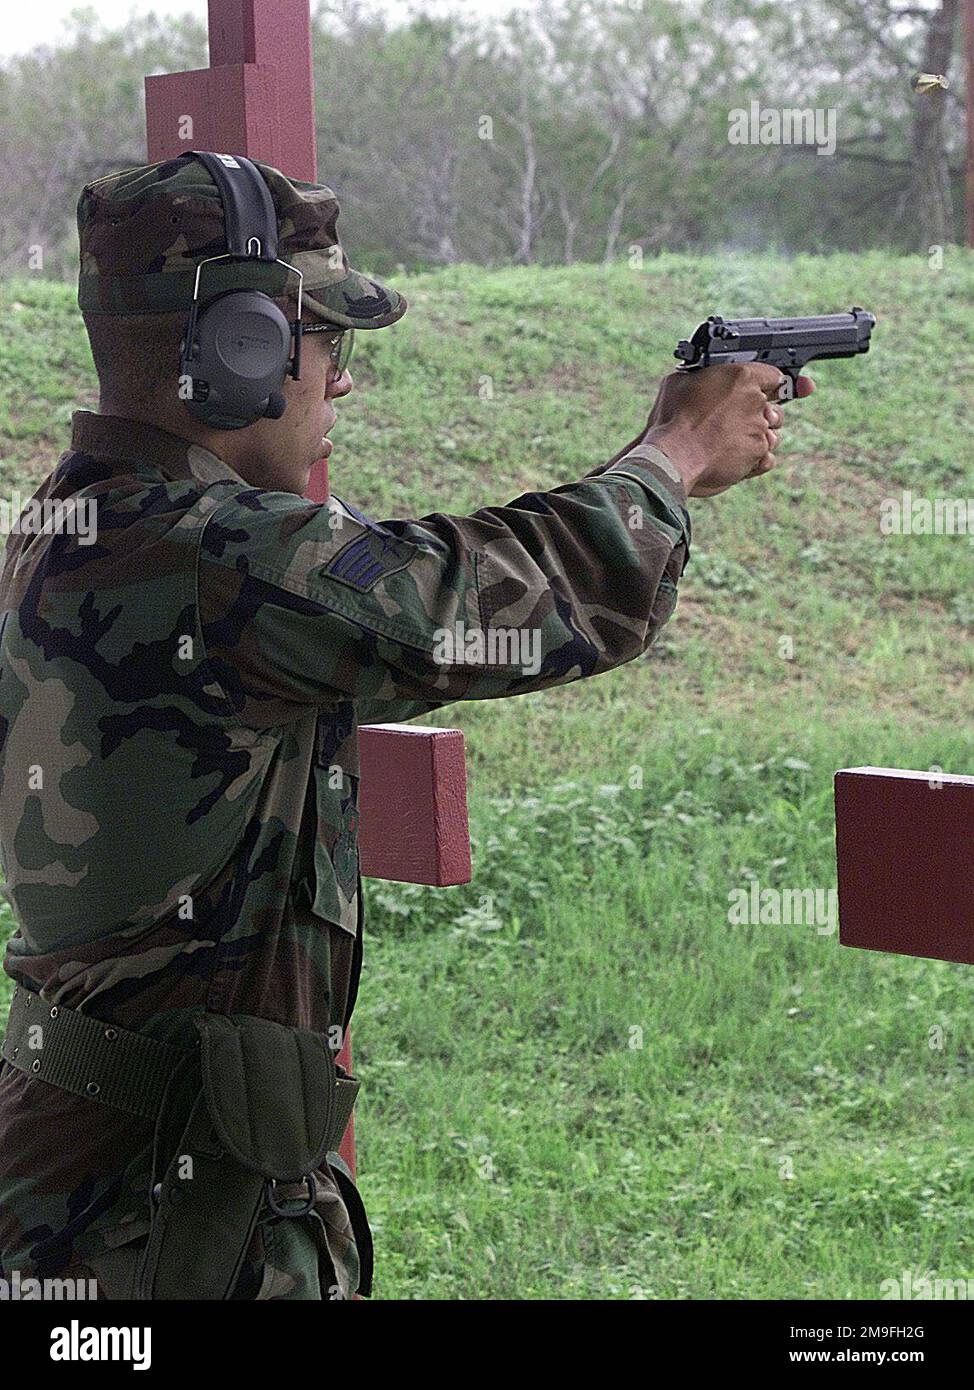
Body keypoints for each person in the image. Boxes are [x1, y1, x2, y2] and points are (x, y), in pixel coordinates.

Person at [0, 156, 811, 1300]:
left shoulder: (79, 521)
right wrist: (672, 455)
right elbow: (464, 604)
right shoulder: (213, 558)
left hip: (88, 1168)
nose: (344, 386)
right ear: (239, 351)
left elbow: (390, 615)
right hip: (168, 1212)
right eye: (331, 346)